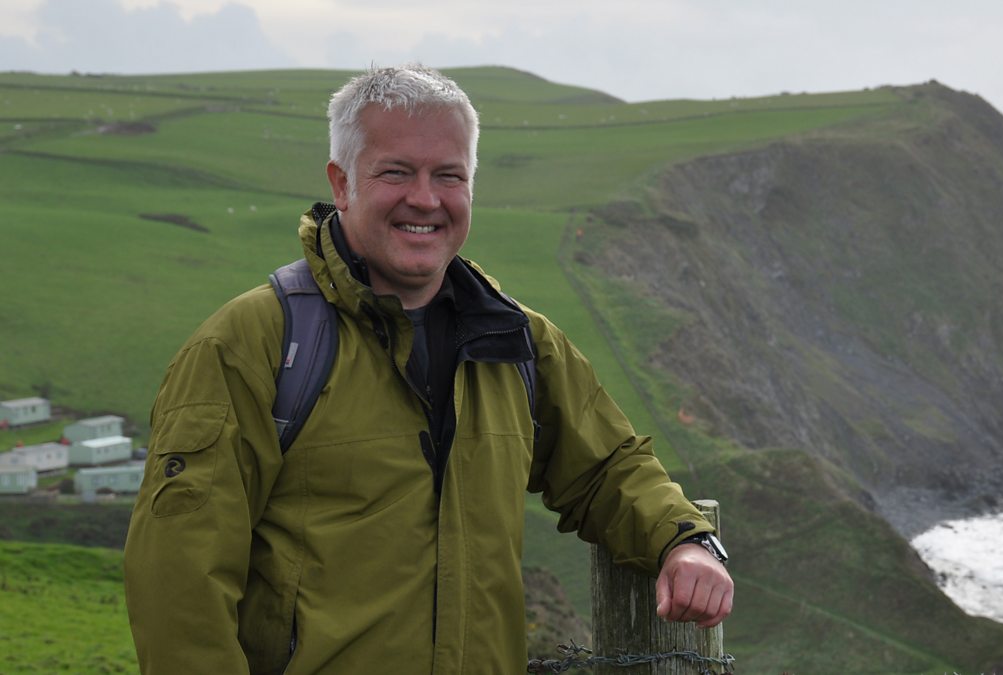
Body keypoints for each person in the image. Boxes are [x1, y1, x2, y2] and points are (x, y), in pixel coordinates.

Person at [124, 64, 732, 674]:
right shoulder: (254, 344)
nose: (425, 199)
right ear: (342, 183)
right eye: (396, 172)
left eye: (449, 176)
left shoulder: (516, 340)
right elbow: (180, 582)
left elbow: (606, 468)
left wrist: (682, 541)